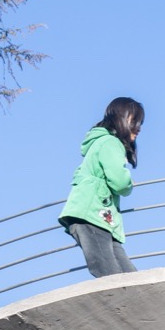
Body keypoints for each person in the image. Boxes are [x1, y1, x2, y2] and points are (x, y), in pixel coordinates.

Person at [60, 97, 144, 277]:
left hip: (101, 219)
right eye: (135, 121)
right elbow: (120, 182)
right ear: (122, 118)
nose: (139, 127)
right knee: (110, 274)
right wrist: (129, 182)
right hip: (91, 215)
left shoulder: (105, 143)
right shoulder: (110, 142)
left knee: (131, 278)